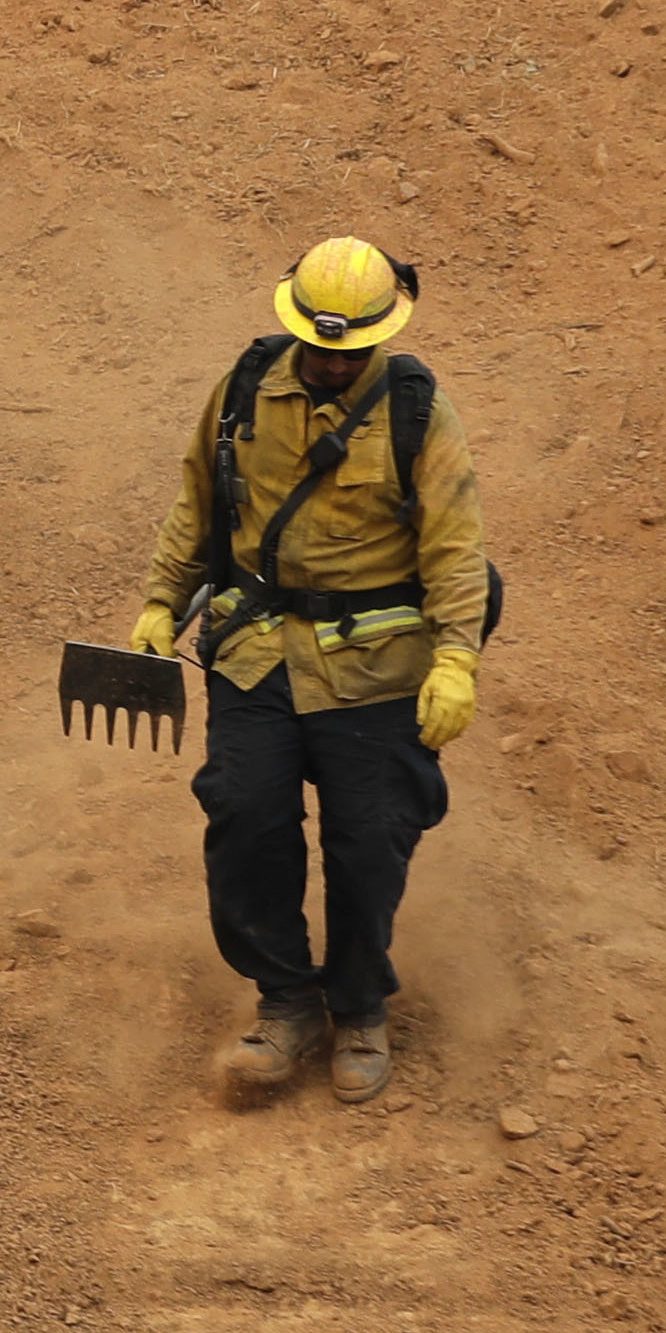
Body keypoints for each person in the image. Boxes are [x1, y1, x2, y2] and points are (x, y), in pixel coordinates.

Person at [125, 237, 492, 1105]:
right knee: (246, 821)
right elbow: (198, 501)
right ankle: (286, 999)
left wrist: (457, 658)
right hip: (256, 655)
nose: (332, 361)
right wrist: (158, 600)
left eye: (349, 348)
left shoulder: (416, 413)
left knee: (369, 844)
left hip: (375, 670)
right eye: (320, 345)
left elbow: (456, 544)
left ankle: (360, 1004)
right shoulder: (246, 387)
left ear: (380, 333)